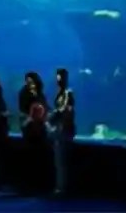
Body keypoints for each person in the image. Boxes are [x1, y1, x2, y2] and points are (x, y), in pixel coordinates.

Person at [17, 71, 49, 191]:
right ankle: (28, 184)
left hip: (40, 129)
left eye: (32, 82)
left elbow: (45, 107)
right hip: (29, 129)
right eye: (28, 82)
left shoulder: (40, 94)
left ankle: (40, 183)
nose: (30, 84)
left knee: (40, 155)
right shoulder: (23, 93)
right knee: (29, 155)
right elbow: (22, 110)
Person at [48, 68, 76, 196]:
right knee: (59, 161)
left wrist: (53, 116)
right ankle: (60, 186)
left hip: (64, 131)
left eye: (60, 77)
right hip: (59, 130)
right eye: (57, 77)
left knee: (62, 161)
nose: (58, 79)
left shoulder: (68, 93)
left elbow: (65, 110)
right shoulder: (59, 93)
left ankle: (62, 188)